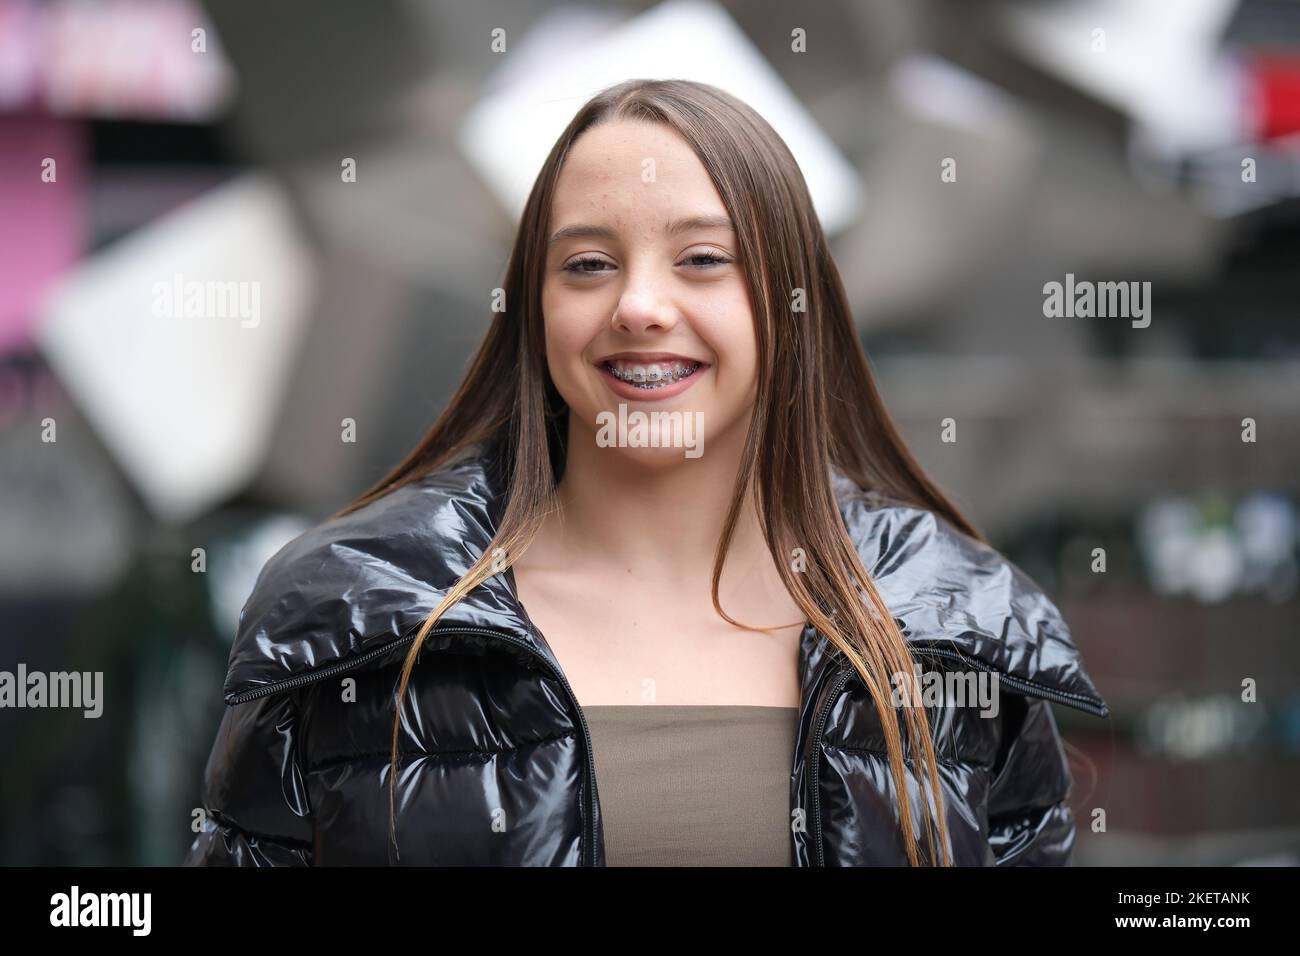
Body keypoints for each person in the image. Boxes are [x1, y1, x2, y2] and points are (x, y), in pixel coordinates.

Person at [184, 78, 1108, 867]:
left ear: (789, 303)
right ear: (535, 310)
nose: (638, 305)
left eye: (702, 259)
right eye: (587, 264)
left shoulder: (962, 625)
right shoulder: (352, 612)